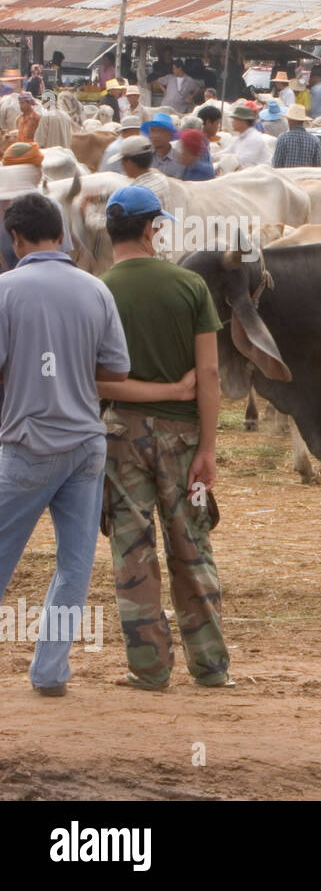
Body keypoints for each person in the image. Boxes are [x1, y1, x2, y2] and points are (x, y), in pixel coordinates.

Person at [99, 184, 232, 691]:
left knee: (132, 552)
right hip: (183, 438)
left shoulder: (100, 289)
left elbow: (96, 381)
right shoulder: (190, 286)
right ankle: (212, 666)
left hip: (119, 436)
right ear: (150, 227)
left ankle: (149, 668)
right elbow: (211, 375)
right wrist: (208, 449)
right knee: (191, 546)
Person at [0, 193, 132, 696]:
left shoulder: (6, 290)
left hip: (29, 444)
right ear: (61, 231)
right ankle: (50, 671)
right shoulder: (96, 290)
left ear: (16, 239)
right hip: (86, 446)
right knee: (74, 567)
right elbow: (117, 369)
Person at [272, 104, 321, 168]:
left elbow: (276, 164)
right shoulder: (315, 140)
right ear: (303, 121)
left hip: (286, 177)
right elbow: (318, 167)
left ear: (290, 121)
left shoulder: (282, 138)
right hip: (307, 177)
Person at [140, 114, 185, 178]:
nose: (156, 135)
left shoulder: (180, 160)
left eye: (161, 131)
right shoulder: (143, 158)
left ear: (170, 135)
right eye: (153, 130)